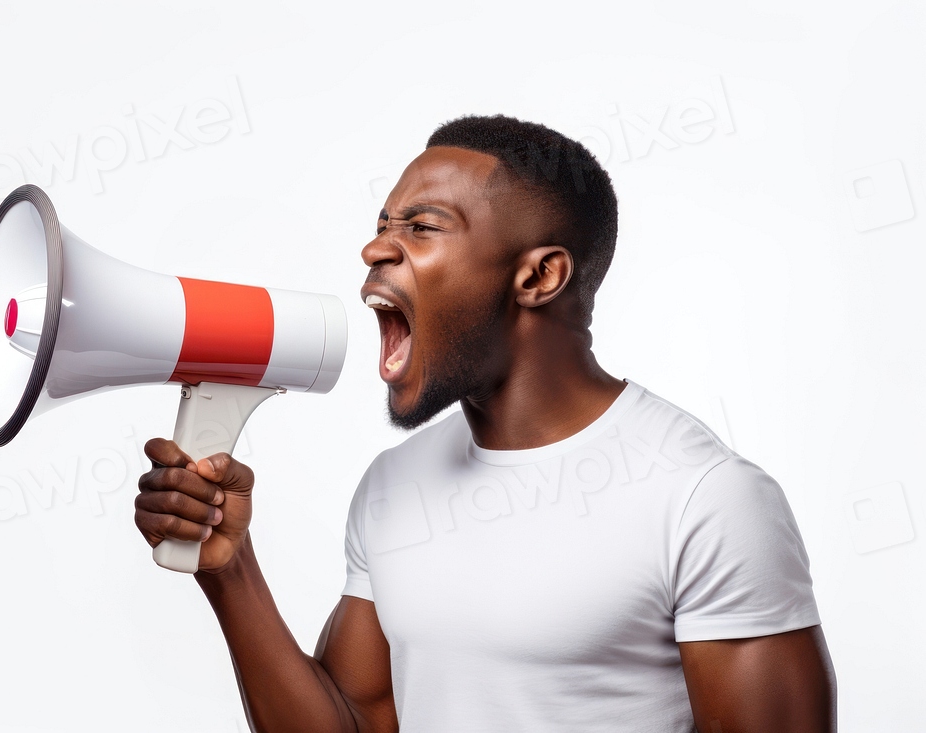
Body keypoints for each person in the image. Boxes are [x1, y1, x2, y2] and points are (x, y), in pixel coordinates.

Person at [134, 114, 836, 732]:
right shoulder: (394, 485)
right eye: (382, 226)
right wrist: (229, 569)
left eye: (421, 227)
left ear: (538, 276)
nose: (375, 249)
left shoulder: (704, 498)